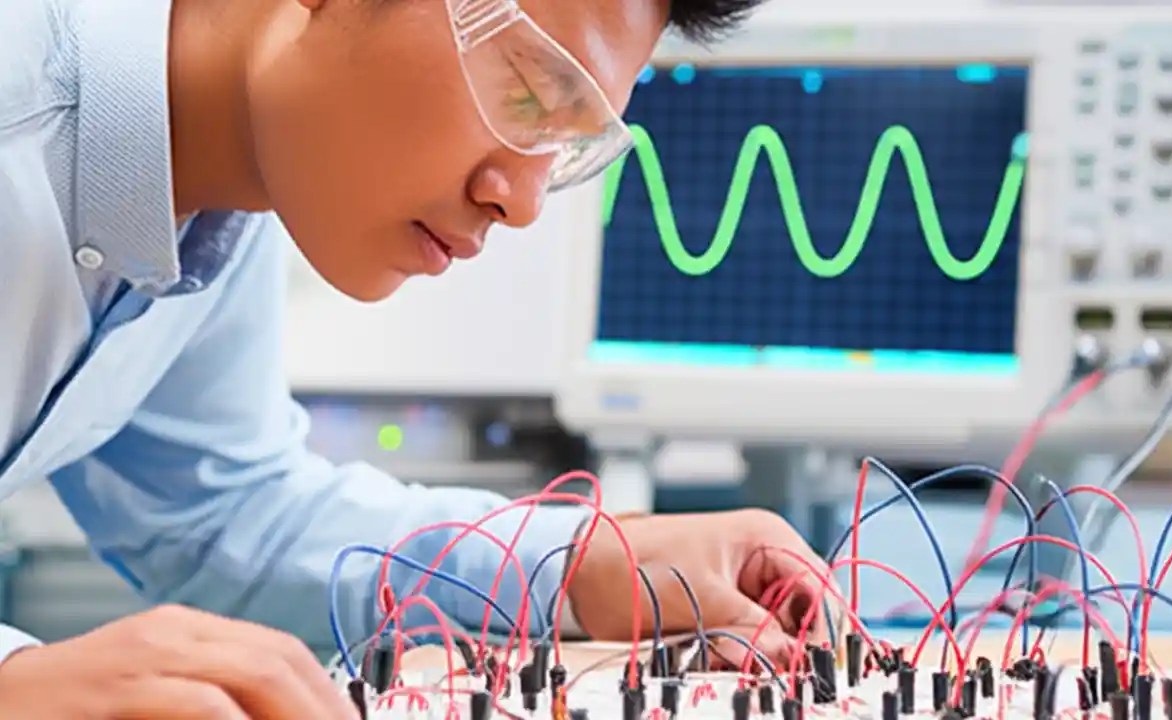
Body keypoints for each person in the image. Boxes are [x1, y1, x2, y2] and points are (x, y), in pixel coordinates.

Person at [0, 0, 834, 715]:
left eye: (566, 144)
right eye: (529, 91)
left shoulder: (213, 198)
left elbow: (221, 517)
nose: (523, 202)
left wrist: (580, 569)